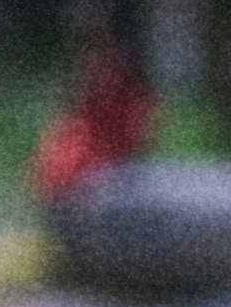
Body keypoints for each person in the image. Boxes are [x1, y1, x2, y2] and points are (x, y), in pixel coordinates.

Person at [28, 17, 153, 205]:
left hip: (99, 180)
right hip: (77, 188)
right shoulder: (76, 126)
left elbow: (135, 140)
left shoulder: (122, 92)